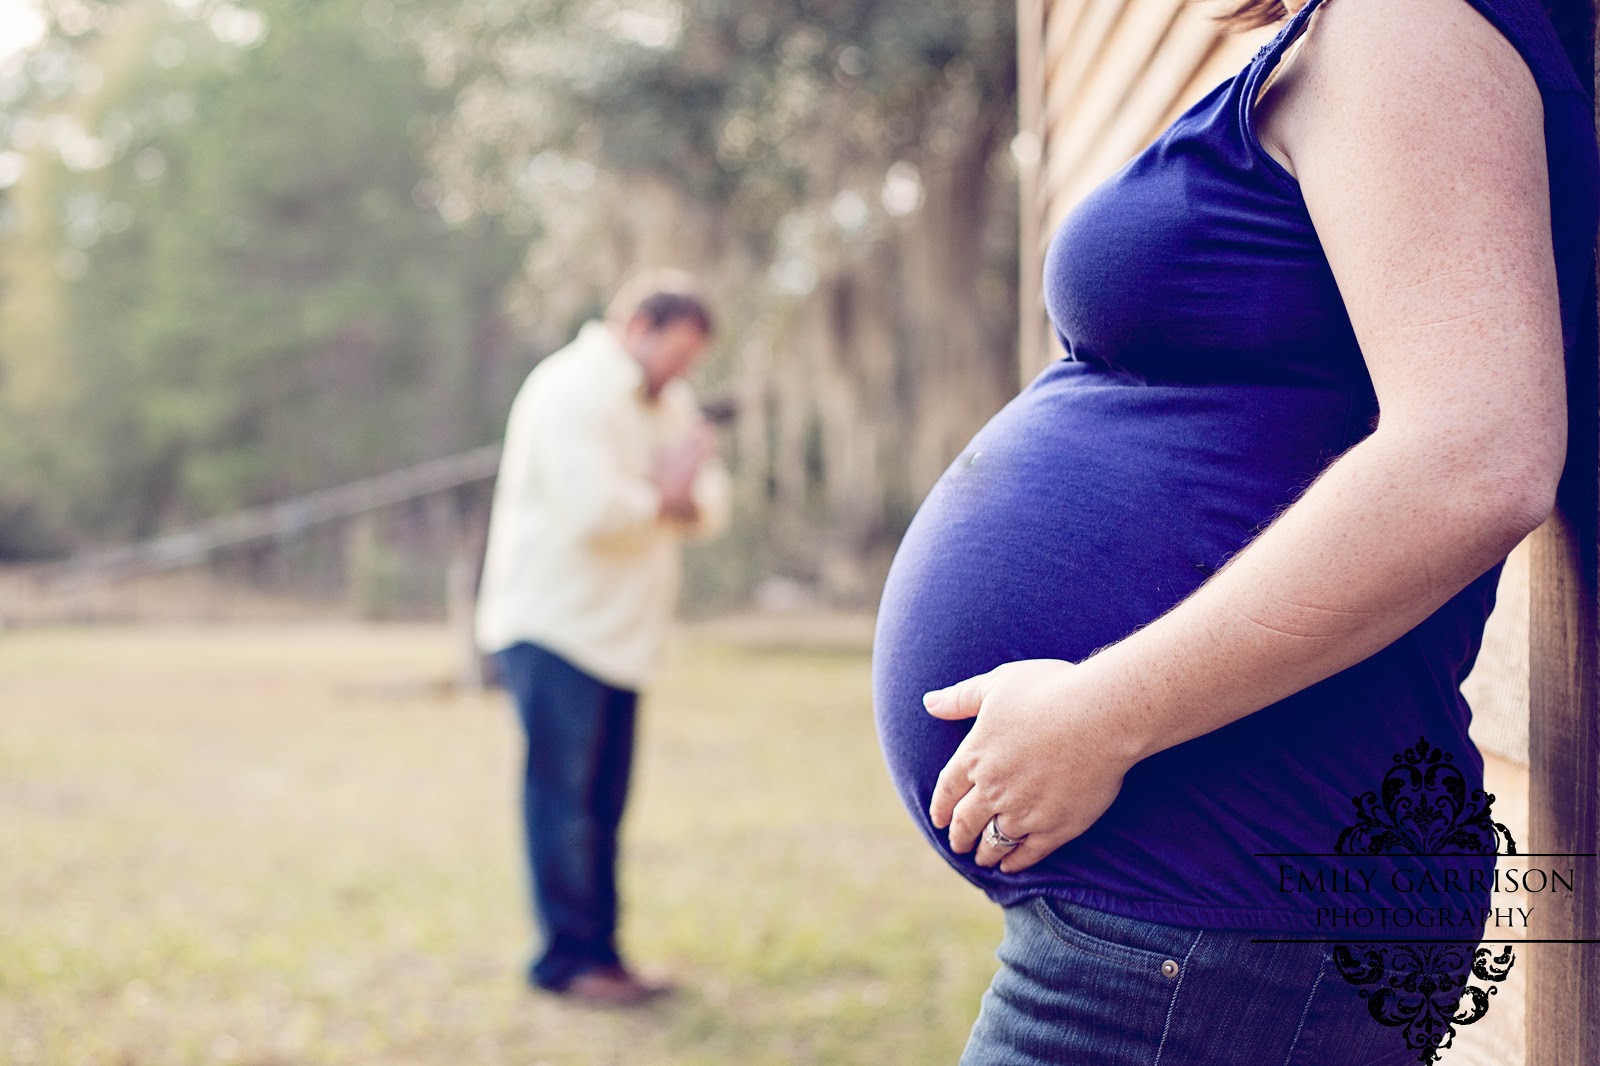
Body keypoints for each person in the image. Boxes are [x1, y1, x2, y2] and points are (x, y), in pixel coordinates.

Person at [871, 0, 1598, 1061]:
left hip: (1213, 919)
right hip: (1198, 923)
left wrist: (1101, 714)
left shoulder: (1408, 19)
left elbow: (1476, 457)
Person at [475, 270, 732, 1007]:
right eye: (676, 354)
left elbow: (711, 505)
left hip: (624, 635)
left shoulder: (670, 403)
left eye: (692, 361)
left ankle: (605, 956)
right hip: (555, 627)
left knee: (606, 805)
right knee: (561, 801)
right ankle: (564, 959)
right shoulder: (568, 391)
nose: (683, 373)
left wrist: (672, 496)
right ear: (638, 328)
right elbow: (594, 509)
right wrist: (668, 494)